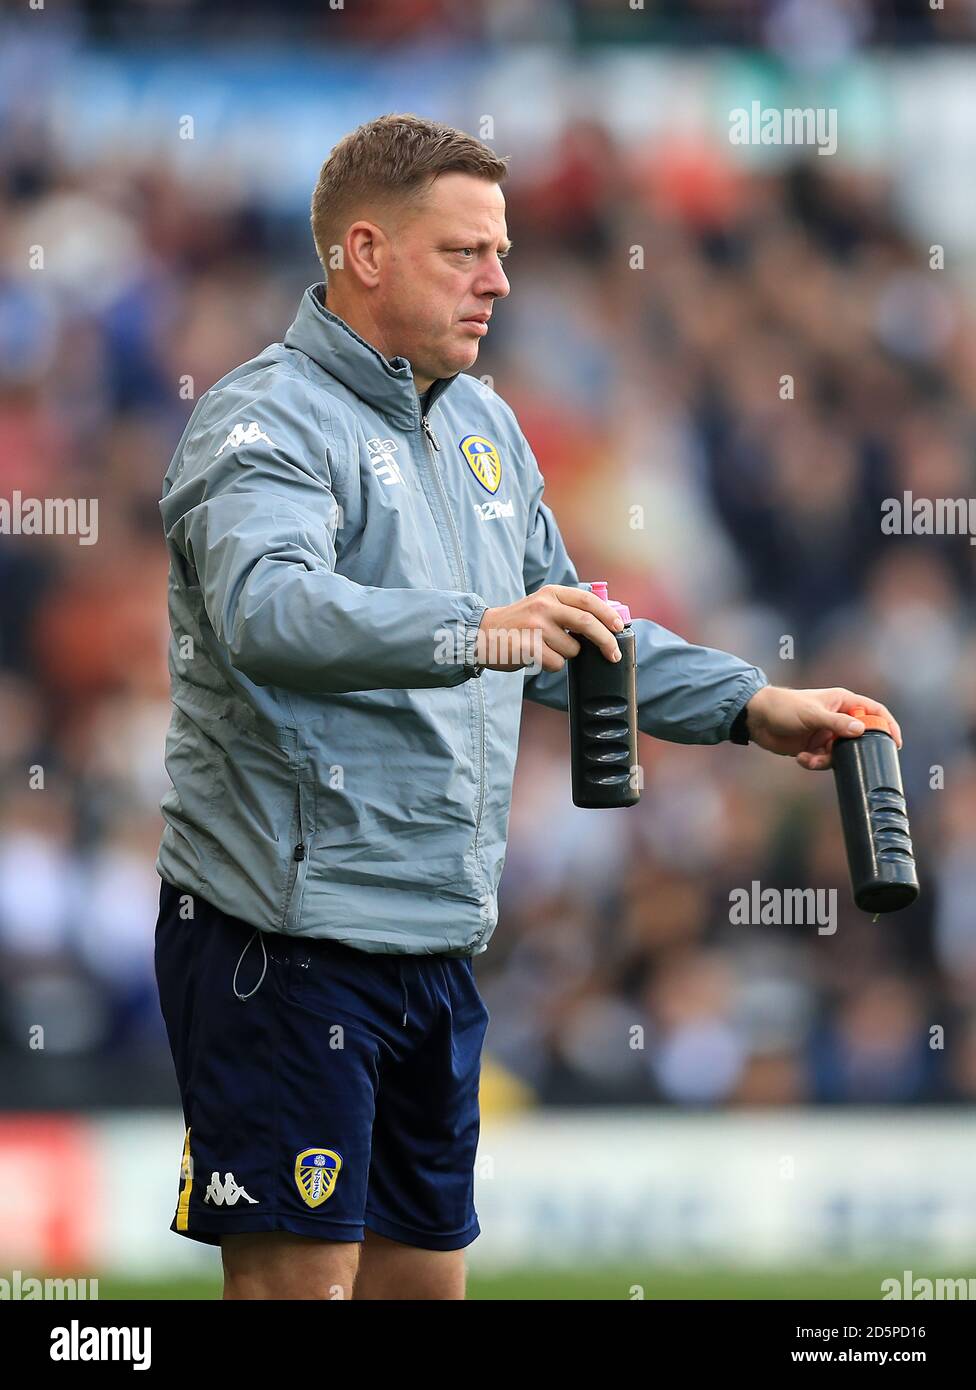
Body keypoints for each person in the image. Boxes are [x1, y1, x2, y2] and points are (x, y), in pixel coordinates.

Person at [153, 113, 902, 1301]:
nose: (499, 281)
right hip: (283, 942)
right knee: (300, 1291)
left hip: (436, 942)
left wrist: (752, 703)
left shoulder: (487, 427)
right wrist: (474, 627)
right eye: (464, 253)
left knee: (422, 1290)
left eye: (500, 252)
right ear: (363, 251)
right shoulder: (263, 423)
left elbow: (568, 636)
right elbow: (268, 615)